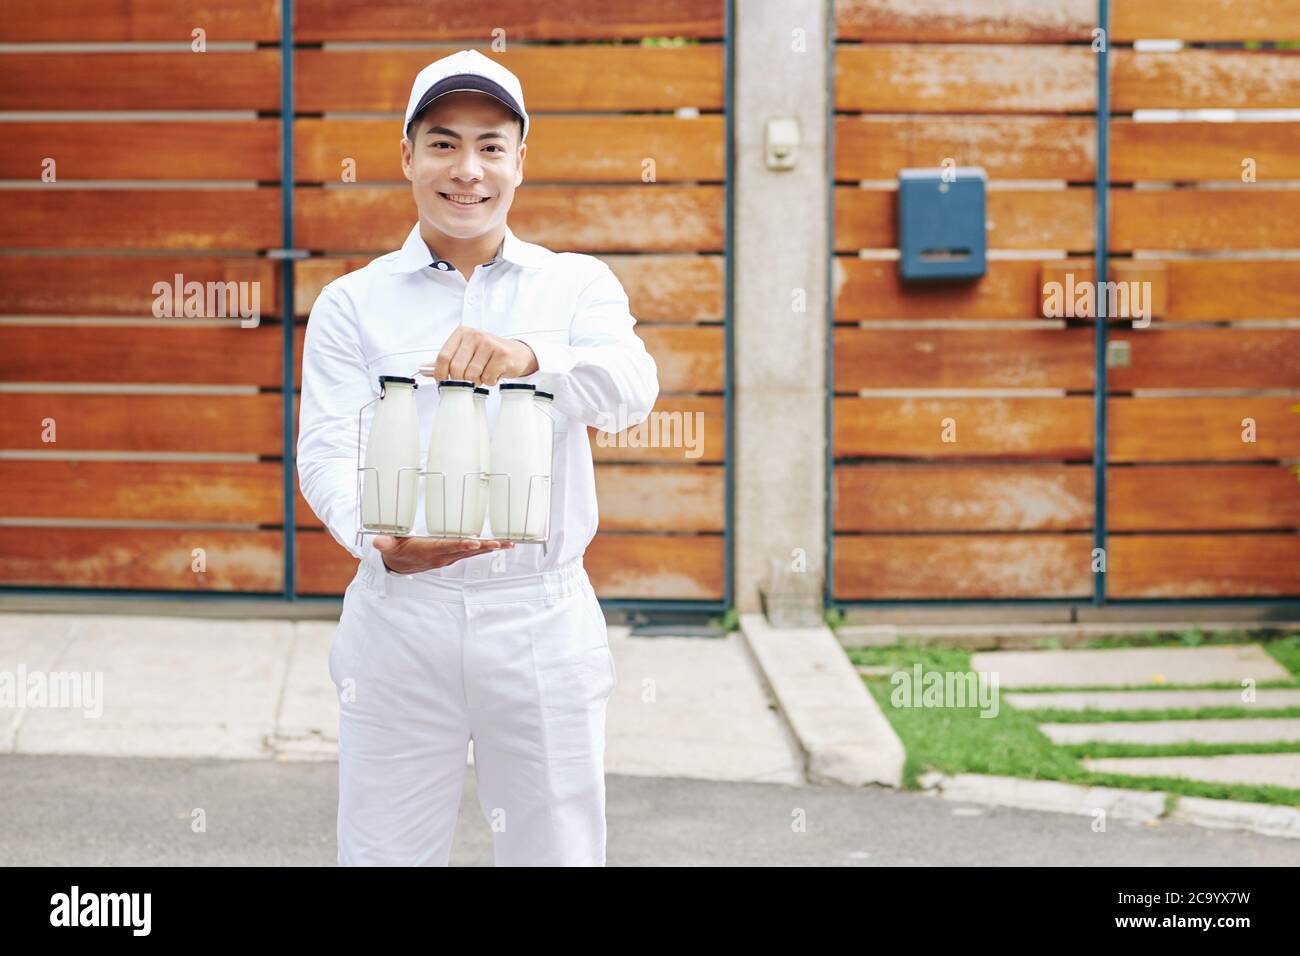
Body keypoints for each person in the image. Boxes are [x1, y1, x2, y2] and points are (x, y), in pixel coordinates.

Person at [296, 49, 659, 866]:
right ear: (407, 156)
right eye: (443, 143)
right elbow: (324, 446)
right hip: (399, 618)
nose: (468, 170)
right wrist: (374, 541)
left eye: (491, 146)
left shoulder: (575, 286)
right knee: (384, 853)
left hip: (540, 616)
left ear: (520, 161)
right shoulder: (353, 303)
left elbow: (632, 389)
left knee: (555, 852)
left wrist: (533, 355)